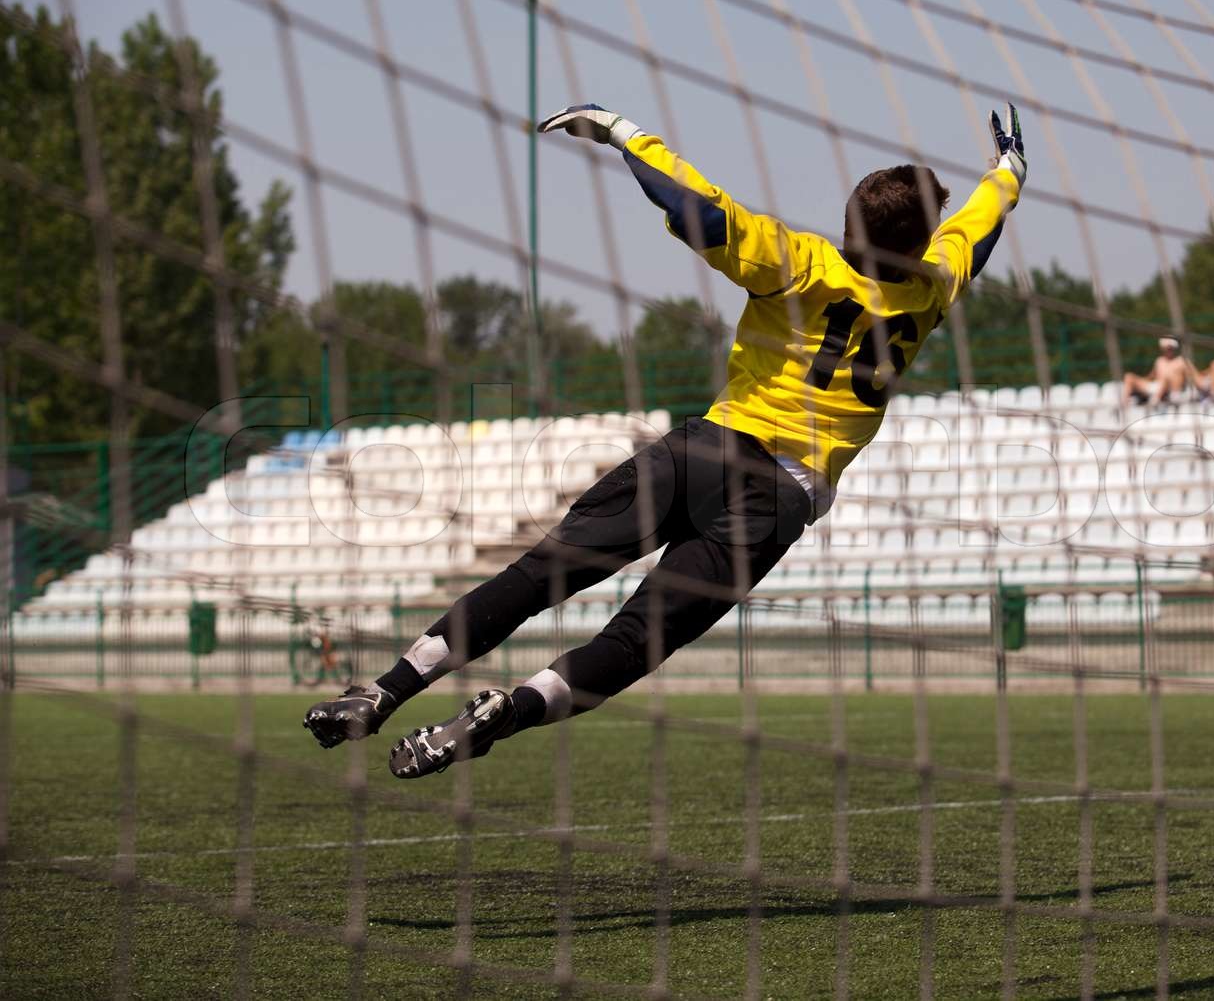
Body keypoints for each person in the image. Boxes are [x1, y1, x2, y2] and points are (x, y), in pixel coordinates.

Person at [304, 101, 1027, 778]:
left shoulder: (801, 260)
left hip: (704, 452)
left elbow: (699, 208)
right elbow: (980, 229)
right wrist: (1010, 171)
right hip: (779, 497)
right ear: (923, 241)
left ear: (849, 221)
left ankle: (384, 690)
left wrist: (624, 133)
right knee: (633, 641)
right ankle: (507, 711)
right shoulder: (932, 290)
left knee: (540, 572)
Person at [1122, 337, 1196, 406]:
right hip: (1157, 386)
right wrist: (1141, 382)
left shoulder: (1181, 361)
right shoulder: (1159, 361)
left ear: (1174, 349)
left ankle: (1153, 403)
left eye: (1170, 348)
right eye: (1166, 348)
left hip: (1171, 391)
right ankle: (1124, 404)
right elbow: (1151, 376)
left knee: (1165, 379)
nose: (1168, 351)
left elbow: (1193, 375)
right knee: (1129, 376)